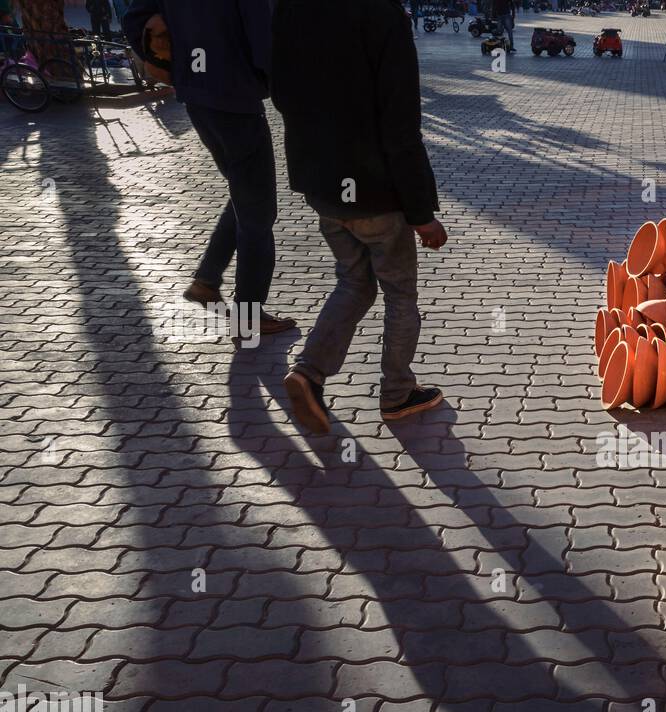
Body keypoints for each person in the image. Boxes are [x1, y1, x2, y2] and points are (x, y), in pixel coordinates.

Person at [272, 0, 446, 430]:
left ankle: (308, 373)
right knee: (400, 294)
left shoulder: (291, 10)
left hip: (323, 183)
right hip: (376, 190)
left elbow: (280, 93)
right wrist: (421, 212)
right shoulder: (382, 13)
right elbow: (400, 118)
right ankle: (398, 393)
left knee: (354, 281)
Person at [123, 0, 295, 338]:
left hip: (195, 95)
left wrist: (166, 62)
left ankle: (206, 281)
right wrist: (285, 92)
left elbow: (134, 17)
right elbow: (265, 43)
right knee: (258, 214)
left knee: (245, 194)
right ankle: (248, 317)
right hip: (236, 98)